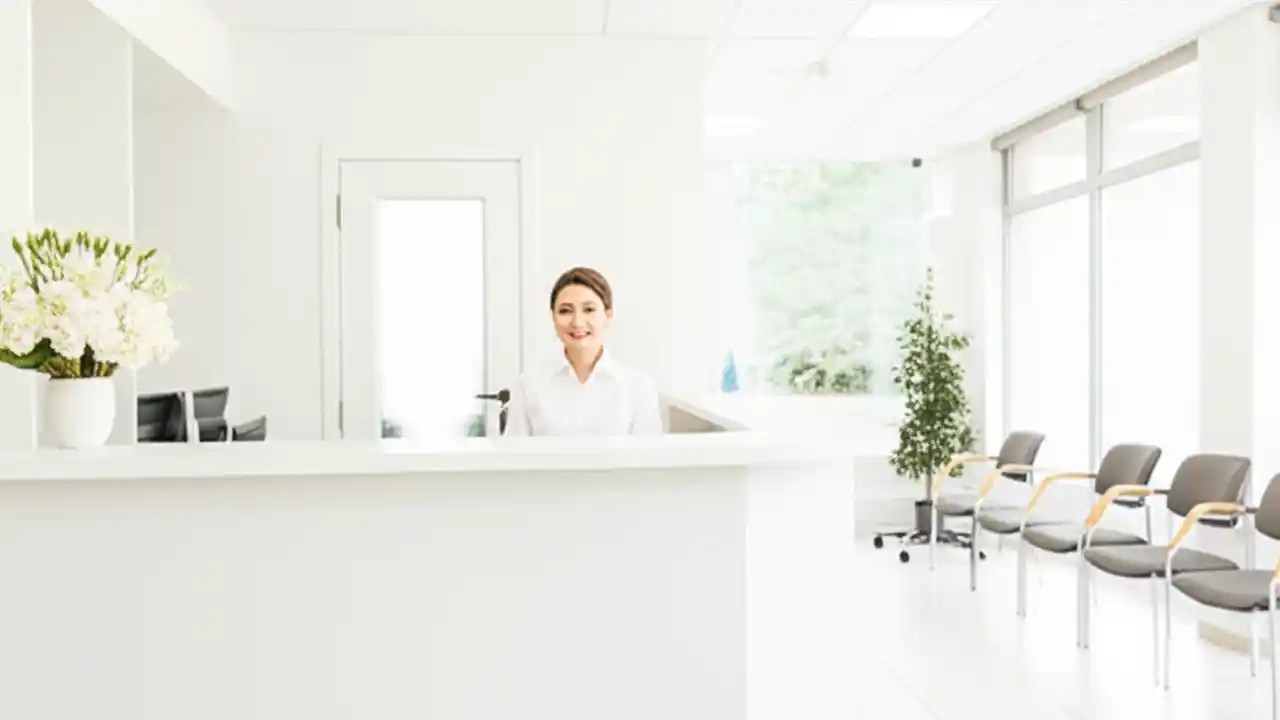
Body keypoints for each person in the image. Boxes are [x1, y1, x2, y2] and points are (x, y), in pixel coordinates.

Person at [503, 267, 662, 436]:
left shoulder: (637, 387)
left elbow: (647, 459)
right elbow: (514, 458)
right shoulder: (529, 386)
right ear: (553, 317)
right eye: (565, 311)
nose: (578, 322)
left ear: (608, 315)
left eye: (589, 310)